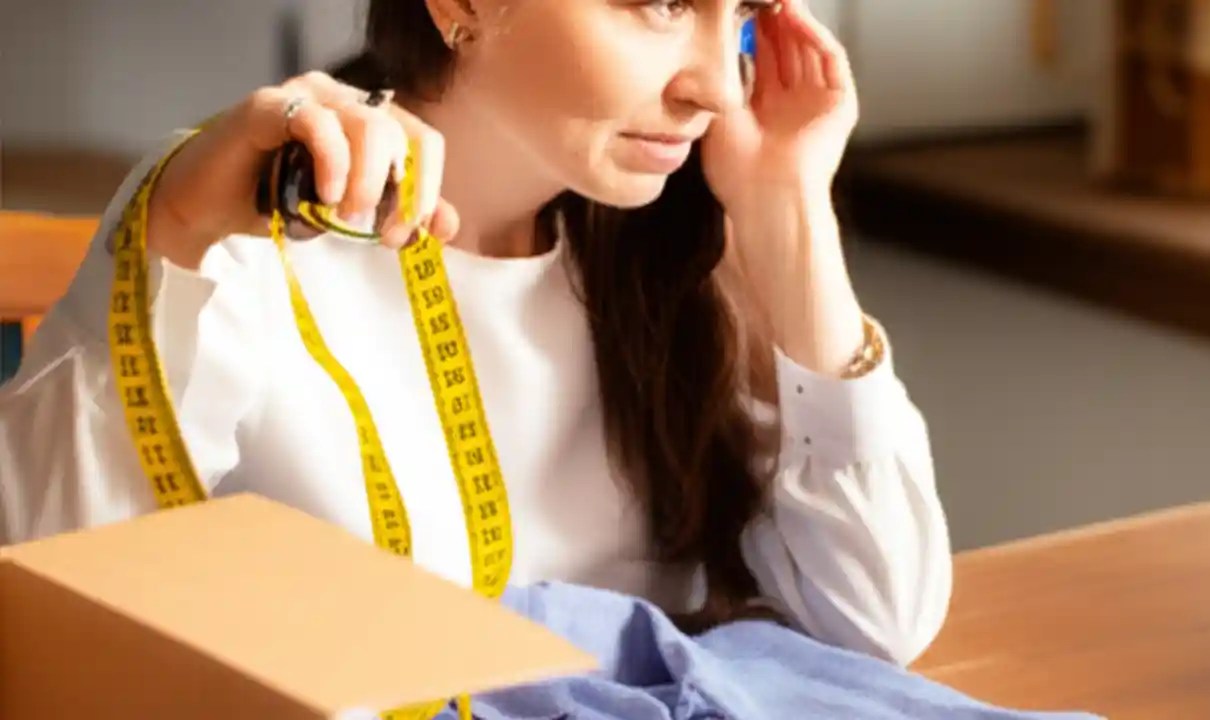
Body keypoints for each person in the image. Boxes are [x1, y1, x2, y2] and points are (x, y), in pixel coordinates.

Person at [0, 0, 951, 666]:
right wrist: (170, 237)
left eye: (738, 14)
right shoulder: (237, 235)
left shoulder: (687, 249)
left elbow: (878, 621)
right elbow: (47, 624)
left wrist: (789, 208)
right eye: (662, 4)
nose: (714, 88)